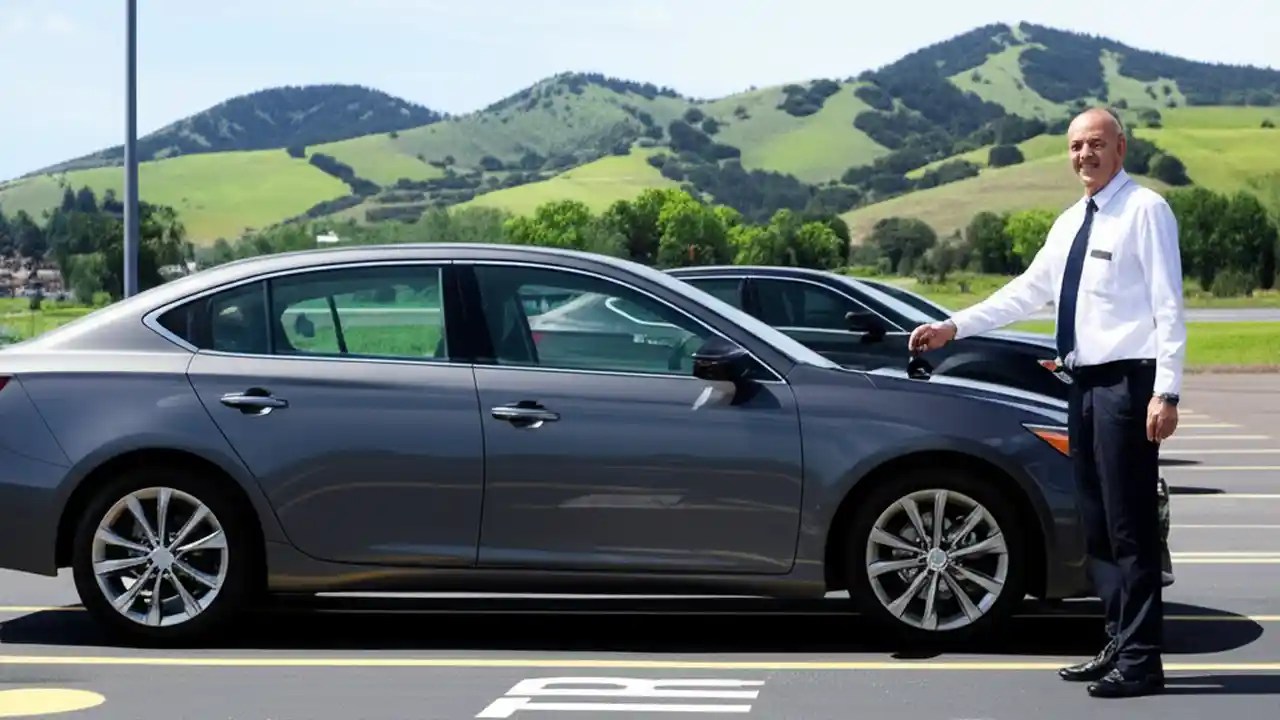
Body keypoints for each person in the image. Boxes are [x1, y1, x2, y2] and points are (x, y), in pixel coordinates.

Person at [909, 107, 1185, 699]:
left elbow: (1169, 306)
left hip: (1129, 386)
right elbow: (1027, 292)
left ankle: (1141, 662)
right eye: (1076, 146)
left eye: (1096, 144)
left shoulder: (1145, 211)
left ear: (1121, 148)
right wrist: (954, 326)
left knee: (1131, 527)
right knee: (1098, 527)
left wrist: (1167, 390)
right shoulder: (1070, 223)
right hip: (1083, 387)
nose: (1084, 155)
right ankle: (1116, 643)